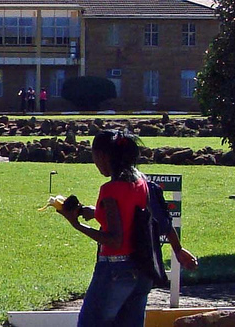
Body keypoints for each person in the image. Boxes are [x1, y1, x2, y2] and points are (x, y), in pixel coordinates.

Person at [58, 130, 198, 327]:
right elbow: (155, 218)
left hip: (115, 270)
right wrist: (178, 249)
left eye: (94, 156)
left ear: (103, 156)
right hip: (142, 271)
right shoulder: (142, 182)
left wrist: (76, 224)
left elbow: (115, 240)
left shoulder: (110, 190)